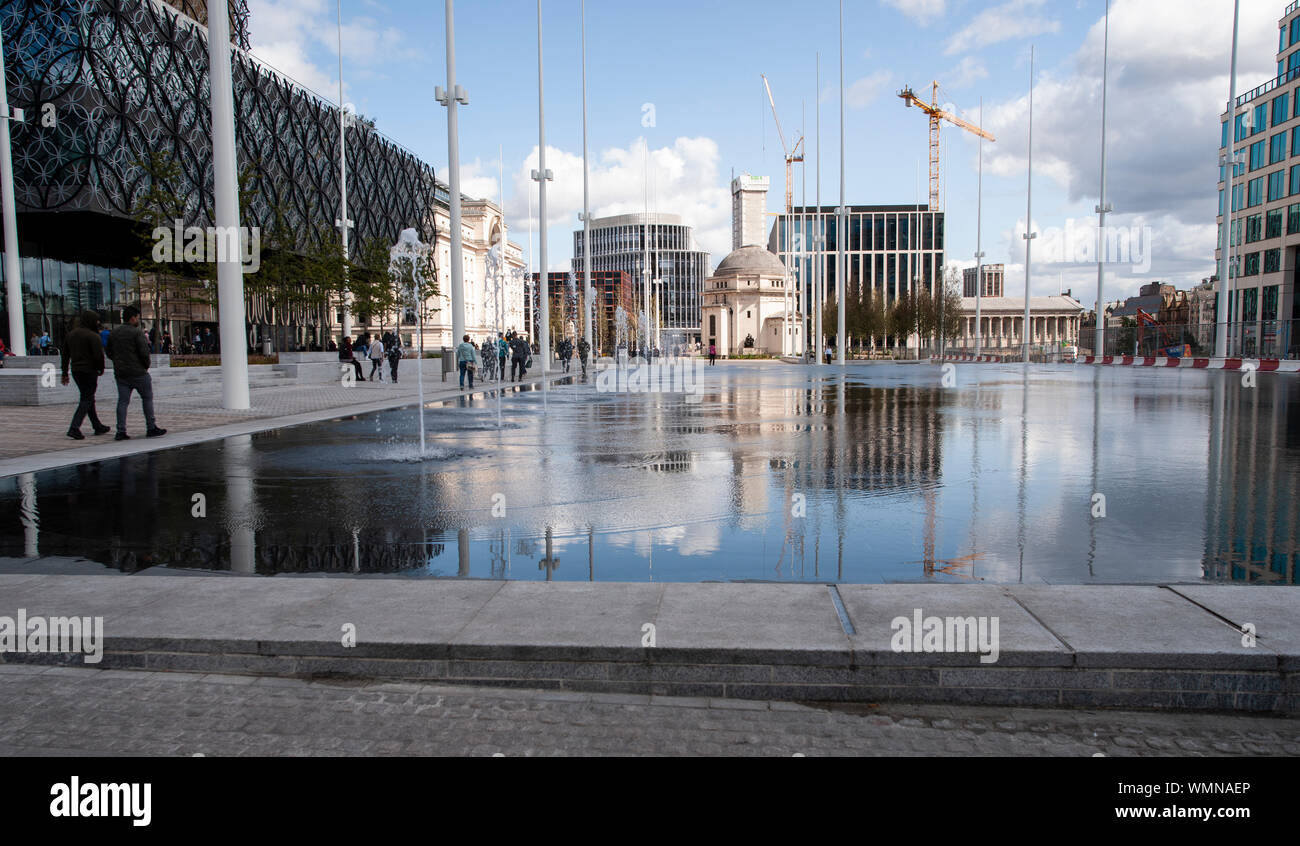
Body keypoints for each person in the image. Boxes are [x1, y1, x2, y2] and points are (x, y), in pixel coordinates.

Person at [107, 306, 165, 441]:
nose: (138, 320)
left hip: (121, 374)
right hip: (138, 372)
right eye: (138, 318)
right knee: (147, 398)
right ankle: (151, 427)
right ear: (133, 318)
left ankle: (120, 431)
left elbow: (109, 352)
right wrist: (145, 366)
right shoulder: (136, 332)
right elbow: (144, 352)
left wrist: (118, 362)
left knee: (122, 402)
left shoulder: (114, 332)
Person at [60, 310, 111, 440]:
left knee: (88, 397)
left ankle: (97, 425)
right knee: (87, 399)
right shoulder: (93, 336)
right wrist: (101, 368)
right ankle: (74, 427)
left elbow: (65, 355)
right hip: (89, 370)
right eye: (97, 320)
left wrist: (65, 372)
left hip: (76, 371)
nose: (98, 322)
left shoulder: (71, 334)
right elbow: (98, 356)